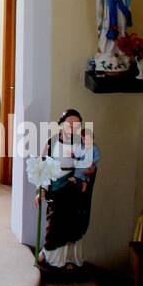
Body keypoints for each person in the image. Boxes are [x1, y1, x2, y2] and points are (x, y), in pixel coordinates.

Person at [38, 108, 99, 272]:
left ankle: (70, 258)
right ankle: (52, 257)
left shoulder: (81, 144)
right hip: (56, 188)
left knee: (73, 224)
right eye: (69, 123)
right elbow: (44, 167)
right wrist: (42, 189)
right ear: (61, 124)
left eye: (76, 124)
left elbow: (88, 164)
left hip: (75, 190)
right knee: (56, 223)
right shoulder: (53, 143)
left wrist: (88, 171)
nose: (72, 126)